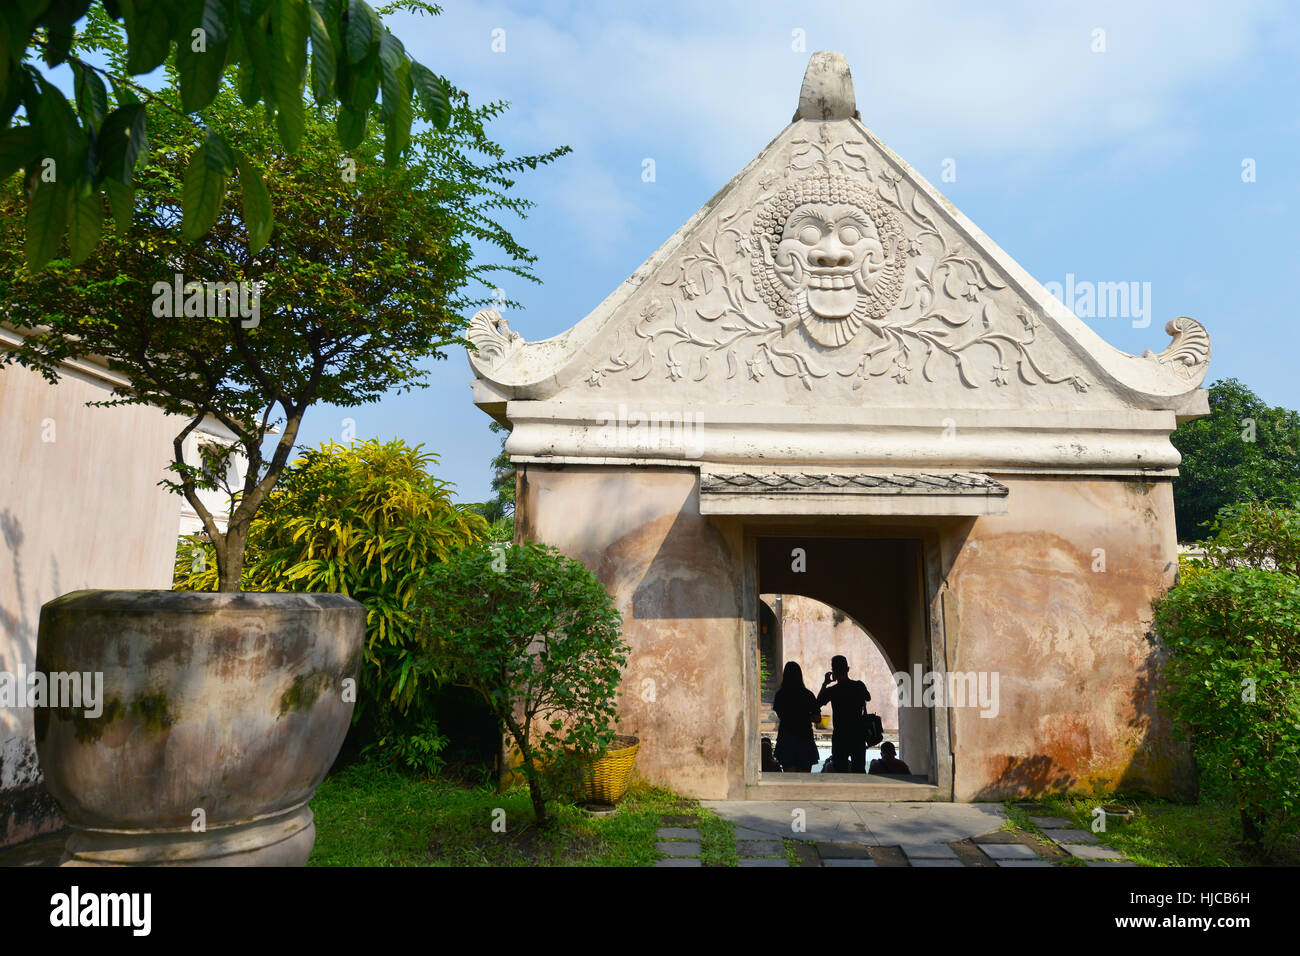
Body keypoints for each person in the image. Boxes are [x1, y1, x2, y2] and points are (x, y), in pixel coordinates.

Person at [817, 655, 870, 773]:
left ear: (833, 672)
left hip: (840, 736)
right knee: (859, 770)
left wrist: (825, 683)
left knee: (840, 772)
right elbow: (868, 697)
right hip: (858, 735)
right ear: (848, 669)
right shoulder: (858, 686)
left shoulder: (832, 690)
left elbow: (817, 703)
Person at [772, 662, 820, 773]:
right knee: (804, 780)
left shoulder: (780, 695)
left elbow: (781, 715)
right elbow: (817, 718)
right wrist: (805, 715)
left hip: (786, 739)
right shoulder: (808, 695)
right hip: (805, 739)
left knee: (789, 780)